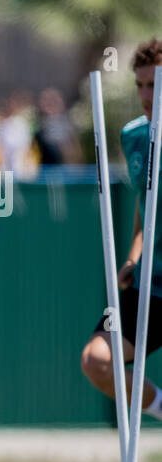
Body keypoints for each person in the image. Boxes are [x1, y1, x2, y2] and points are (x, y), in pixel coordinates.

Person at [83, 39, 162, 417]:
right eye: (140, 85)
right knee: (97, 360)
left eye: (155, 83)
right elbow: (144, 206)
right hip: (152, 283)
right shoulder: (134, 137)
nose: (146, 94)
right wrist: (133, 257)